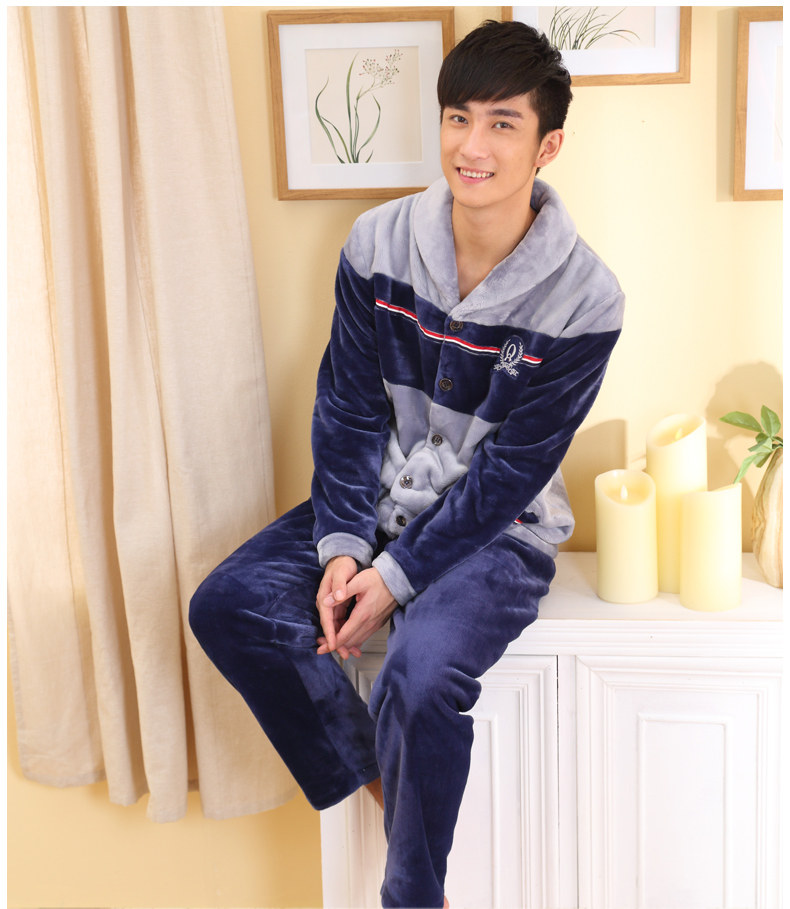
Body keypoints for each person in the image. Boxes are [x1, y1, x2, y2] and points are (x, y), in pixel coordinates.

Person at [189, 19, 623, 908]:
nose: (472, 147)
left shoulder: (589, 297)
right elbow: (348, 406)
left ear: (548, 146)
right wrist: (346, 546)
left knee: (420, 675)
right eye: (458, 117)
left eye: (502, 124)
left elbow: (513, 471)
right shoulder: (376, 242)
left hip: (501, 530)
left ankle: (416, 892)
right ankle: (394, 790)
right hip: (379, 497)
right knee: (226, 604)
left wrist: (392, 579)